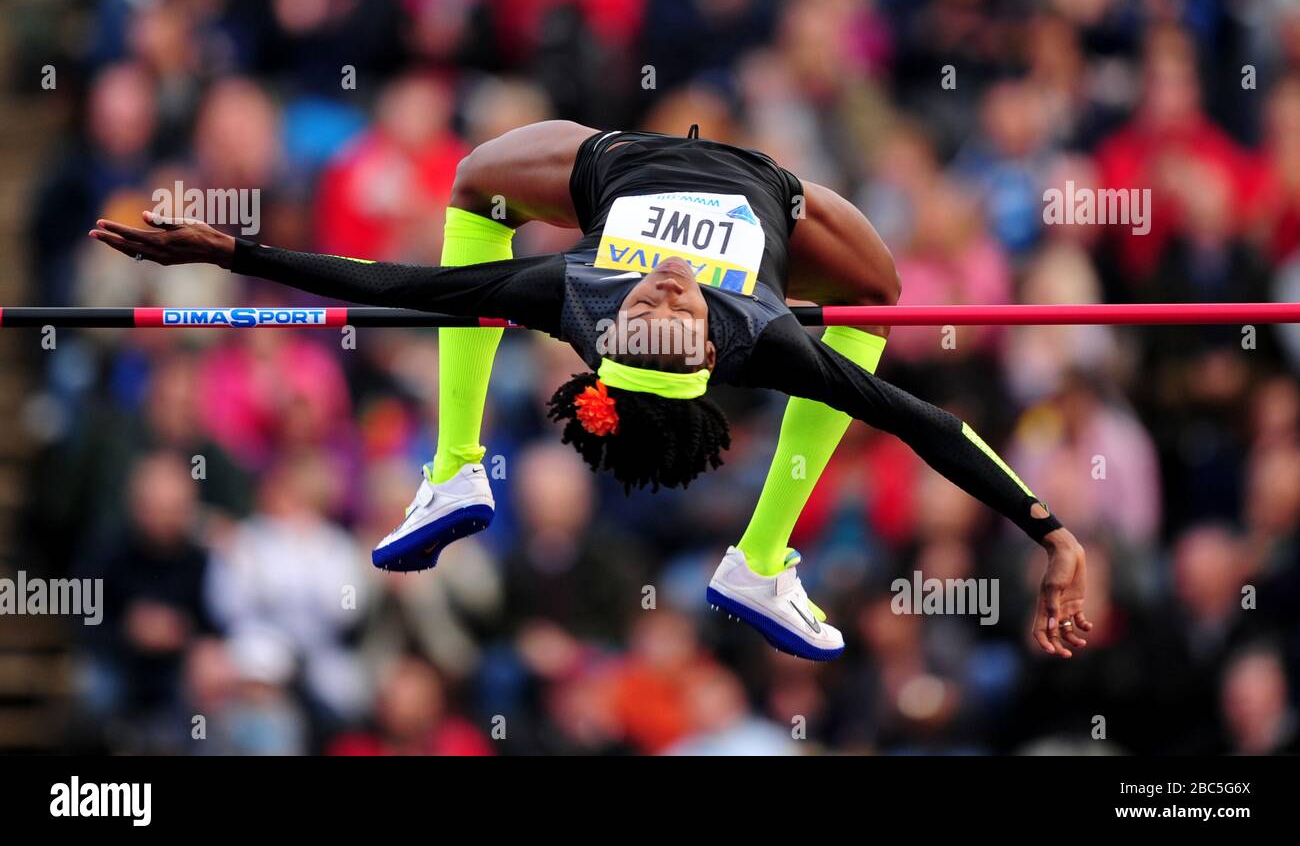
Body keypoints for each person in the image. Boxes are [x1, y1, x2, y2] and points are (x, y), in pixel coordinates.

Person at [89, 120, 1090, 662]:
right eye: (680, 312)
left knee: (476, 180)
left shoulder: (569, 291)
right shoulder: (767, 335)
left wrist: (231, 252)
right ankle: (763, 554)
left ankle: (451, 469)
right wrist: (1051, 531)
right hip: (773, 182)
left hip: (615, 157)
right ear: (709, 350)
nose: (668, 288)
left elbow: (390, 285)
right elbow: (929, 424)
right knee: (874, 298)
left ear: (608, 338)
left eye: (645, 310)